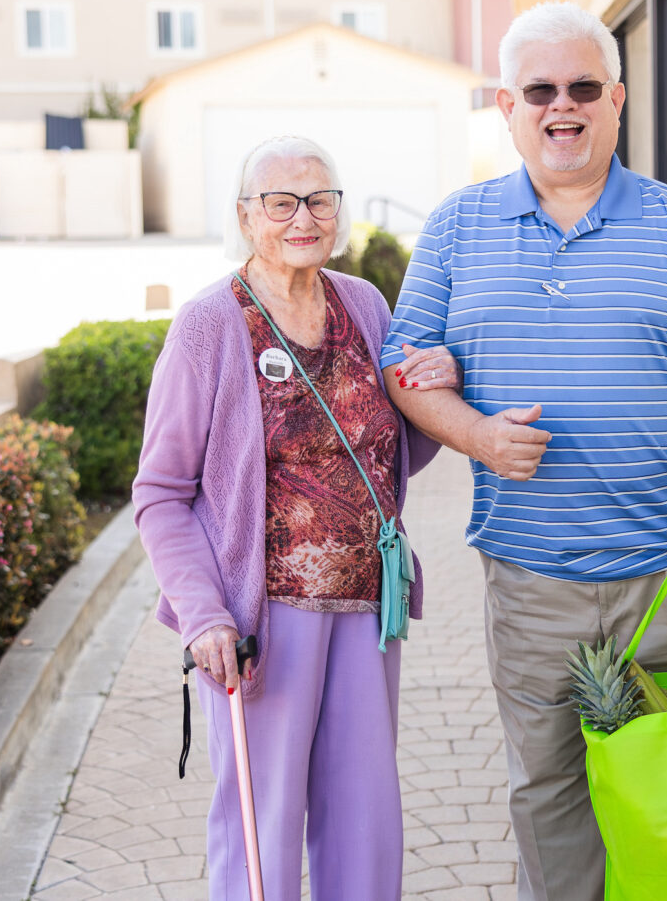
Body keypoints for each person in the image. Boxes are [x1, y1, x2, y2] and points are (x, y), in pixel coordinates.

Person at [381, 3, 667, 900]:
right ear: (506, 105)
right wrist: (477, 434)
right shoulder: (457, 226)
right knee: (551, 790)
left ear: (615, 100)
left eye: (580, 89)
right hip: (530, 579)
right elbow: (402, 369)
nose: (560, 107)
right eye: (540, 91)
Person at [132, 135, 459, 900]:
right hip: (261, 619)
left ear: (338, 213)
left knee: (364, 816)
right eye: (281, 201)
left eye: (320, 199)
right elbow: (160, 491)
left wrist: (436, 393)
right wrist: (203, 614)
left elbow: (391, 453)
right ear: (248, 216)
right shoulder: (209, 326)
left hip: (365, 607)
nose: (302, 217)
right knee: (260, 822)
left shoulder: (365, 304)